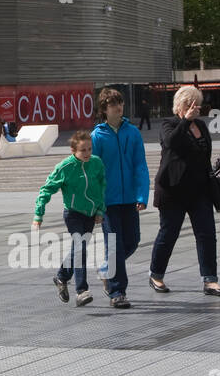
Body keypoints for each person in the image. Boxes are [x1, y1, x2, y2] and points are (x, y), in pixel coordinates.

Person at [148, 85, 220, 296]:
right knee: (169, 233)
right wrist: (185, 121)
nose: (194, 108)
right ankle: (156, 274)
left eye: (196, 104)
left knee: (207, 234)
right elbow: (172, 142)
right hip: (173, 190)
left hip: (200, 189)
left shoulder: (201, 125)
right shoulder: (169, 124)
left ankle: (210, 280)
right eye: (189, 104)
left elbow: (205, 155)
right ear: (180, 105)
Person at [33, 131, 106, 307]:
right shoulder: (65, 167)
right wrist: (38, 215)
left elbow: (102, 186)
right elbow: (46, 190)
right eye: (83, 150)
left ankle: (61, 277)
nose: (88, 153)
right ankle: (82, 291)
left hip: (90, 214)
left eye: (89, 149)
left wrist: (100, 210)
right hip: (73, 213)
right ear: (73, 150)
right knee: (80, 249)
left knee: (77, 249)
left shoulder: (96, 163)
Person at [92, 89, 149, 309]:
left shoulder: (133, 133)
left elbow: (140, 166)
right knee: (114, 244)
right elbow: (94, 171)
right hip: (108, 201)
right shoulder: (97, 136)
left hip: (130, 199)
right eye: (114, 104)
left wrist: (142, 195)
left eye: (121, 103)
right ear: (104, 109)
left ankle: (107, 269)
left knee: (132, 241)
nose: (119, 107)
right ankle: (118, 291)